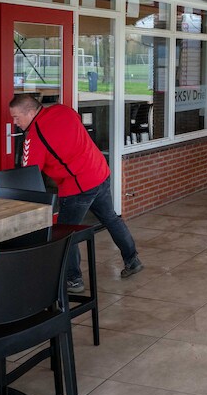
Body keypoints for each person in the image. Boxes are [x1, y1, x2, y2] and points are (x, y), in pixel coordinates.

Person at [9, 95, 143, 292]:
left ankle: (74, 279)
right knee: (111, 218)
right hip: (99, 172)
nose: (15, 122)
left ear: (30, 112)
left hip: (77, 187)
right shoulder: (62, 110)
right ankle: (132, 260)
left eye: (16, 117)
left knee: (66, 233)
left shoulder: (35, 137)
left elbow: (28, 172)